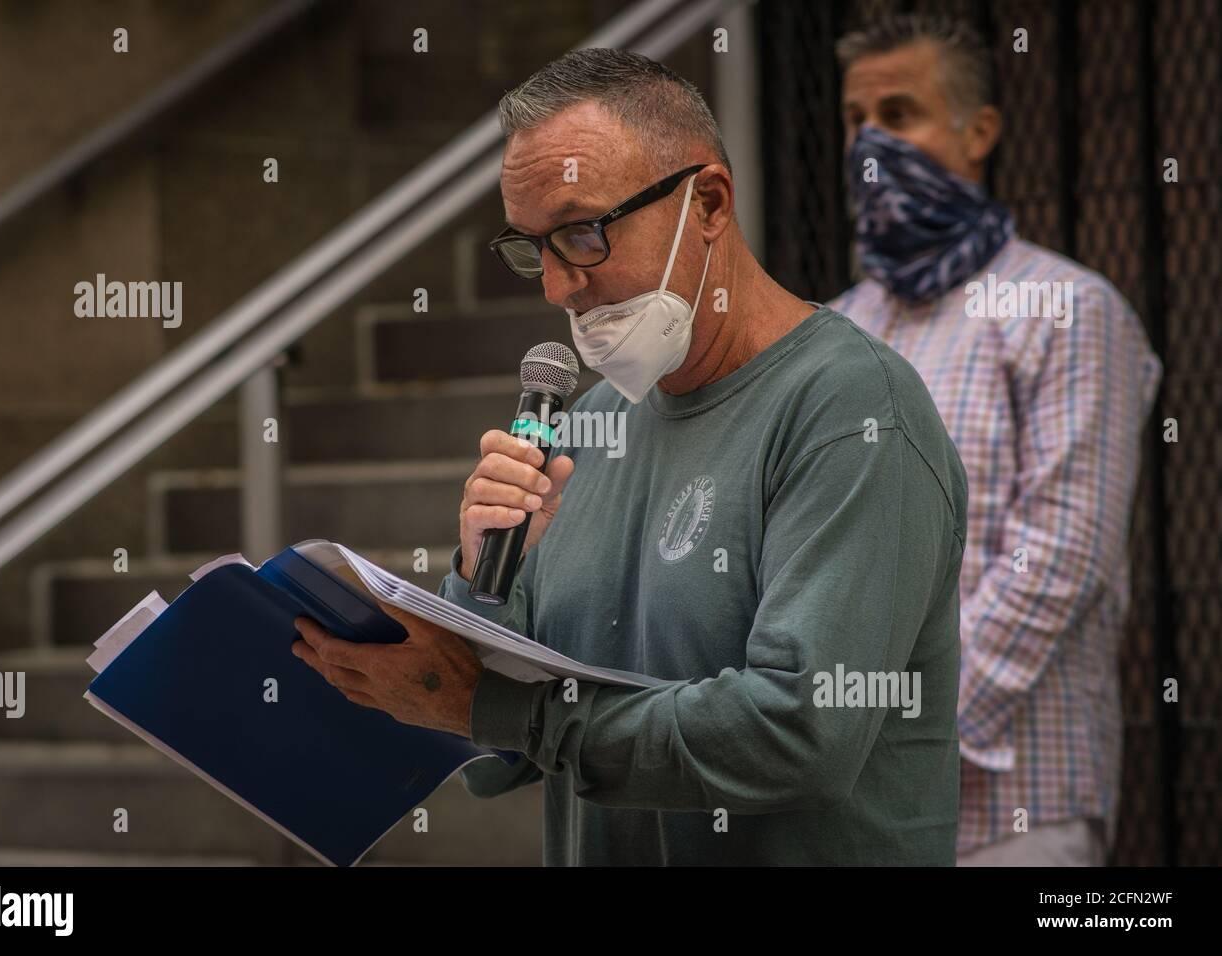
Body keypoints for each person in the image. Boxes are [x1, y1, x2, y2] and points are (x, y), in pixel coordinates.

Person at [293, 47, 968, 865]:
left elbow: (799, 732)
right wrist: (478, 585)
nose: (556, 286)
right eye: (531, 247)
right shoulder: (585, 428)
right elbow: (489, 761)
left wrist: (507, 714)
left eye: (582, 233)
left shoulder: (853, 409)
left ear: (709, 201)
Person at [827, 15, 1163, 865]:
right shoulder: (830, 331)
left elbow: (1061, 553)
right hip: (848, 810)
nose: (871, 145)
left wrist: (904, 723)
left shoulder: (1068, 309)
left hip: (1015, 805)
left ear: (980, 133)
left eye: (899, 115)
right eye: (855, 120)